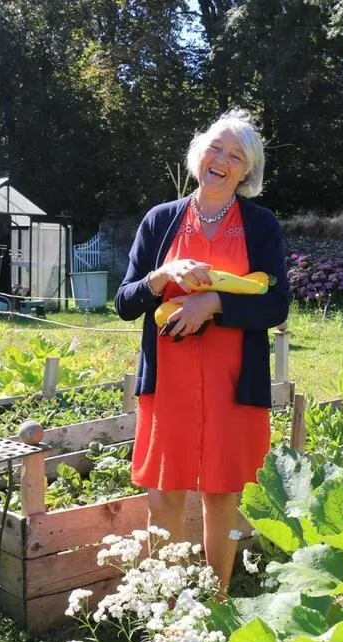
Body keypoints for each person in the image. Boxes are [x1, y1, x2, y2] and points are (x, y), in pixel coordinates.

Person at [114, 109, 290, 595]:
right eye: (216, 148)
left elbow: (276, 304)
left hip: (234, 381)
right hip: (169, 381)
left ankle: (216, 600)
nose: (222, 161)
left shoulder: (260, 226)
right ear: (199, 154)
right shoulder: (161, 220)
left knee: (222, 495)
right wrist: (161, 278)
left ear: (246, 172)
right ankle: (166, 605)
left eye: (236, 156)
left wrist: (212, 302)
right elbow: (125, 303)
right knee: (165, 494)